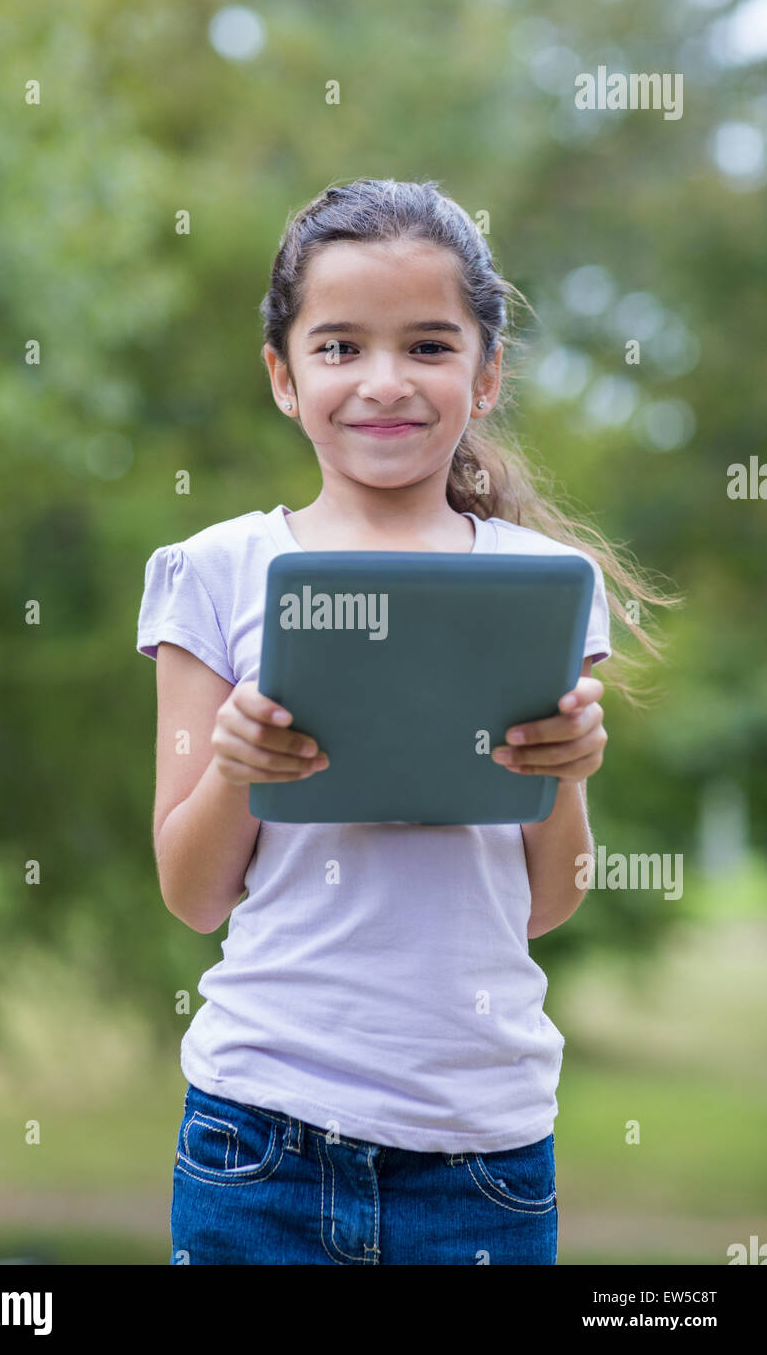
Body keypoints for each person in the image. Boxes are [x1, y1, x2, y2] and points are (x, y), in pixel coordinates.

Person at [136, 178, 678, 1265]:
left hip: (480, 1155)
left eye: (427, 346)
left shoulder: (543, 585)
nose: (382, 382)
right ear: (284, 378)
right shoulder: (215, 572)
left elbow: (547, 904)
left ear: (484, 377)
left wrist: (563, 773)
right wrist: (236, 767)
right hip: (258, 1138)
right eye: (338, 347)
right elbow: (193, 896)